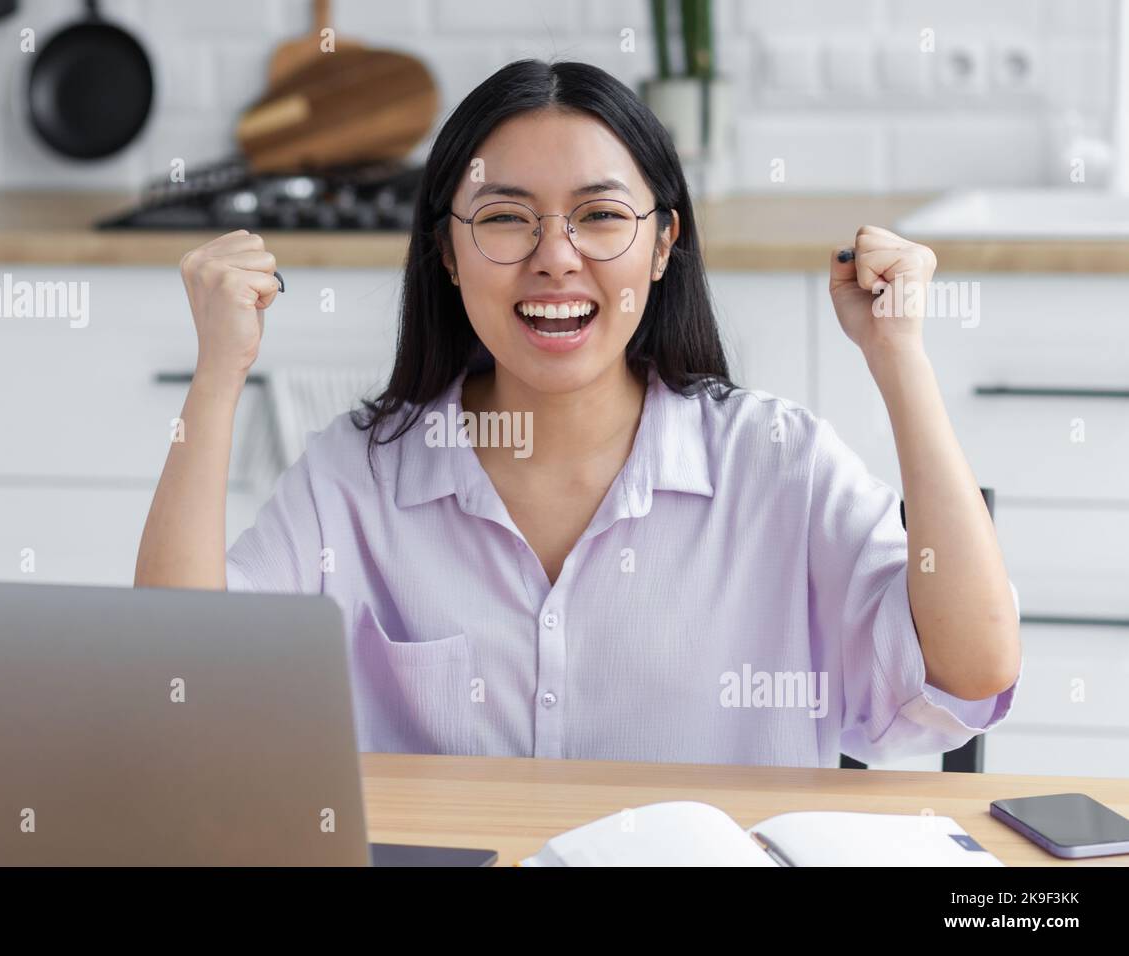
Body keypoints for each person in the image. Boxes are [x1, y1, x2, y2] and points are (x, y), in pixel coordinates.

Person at [135, 59, 1021, 767]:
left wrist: (898, 358)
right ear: (447, 252)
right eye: (506, 219)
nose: (555, 258)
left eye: (600, 216)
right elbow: (181, 685)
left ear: (664, 243)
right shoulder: (358, 475)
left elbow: (968, 672)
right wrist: (219, 373)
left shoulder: (776, 465)